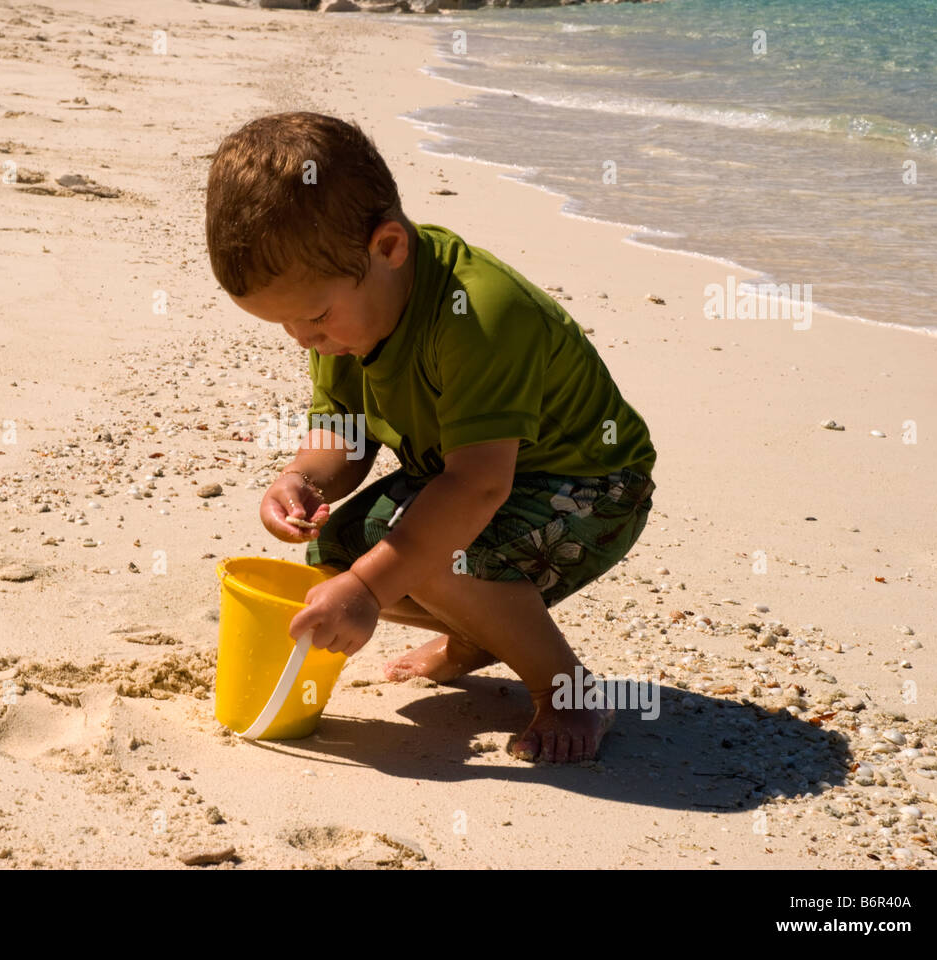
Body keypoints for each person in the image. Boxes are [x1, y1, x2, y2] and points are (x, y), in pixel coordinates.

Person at [205, 112, 656, 763]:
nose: (303, 340)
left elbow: (477, 488)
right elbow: (344, 430)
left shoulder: (477, 313)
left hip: (591, 487)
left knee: (424, 556)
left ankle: (568, 691)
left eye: (313, 318)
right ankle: (479, 634)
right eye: (285, 326)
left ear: (389, 247)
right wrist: (303, 480)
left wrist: (369, 592)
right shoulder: (344, 312)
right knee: (339, 549)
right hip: (477, 478)